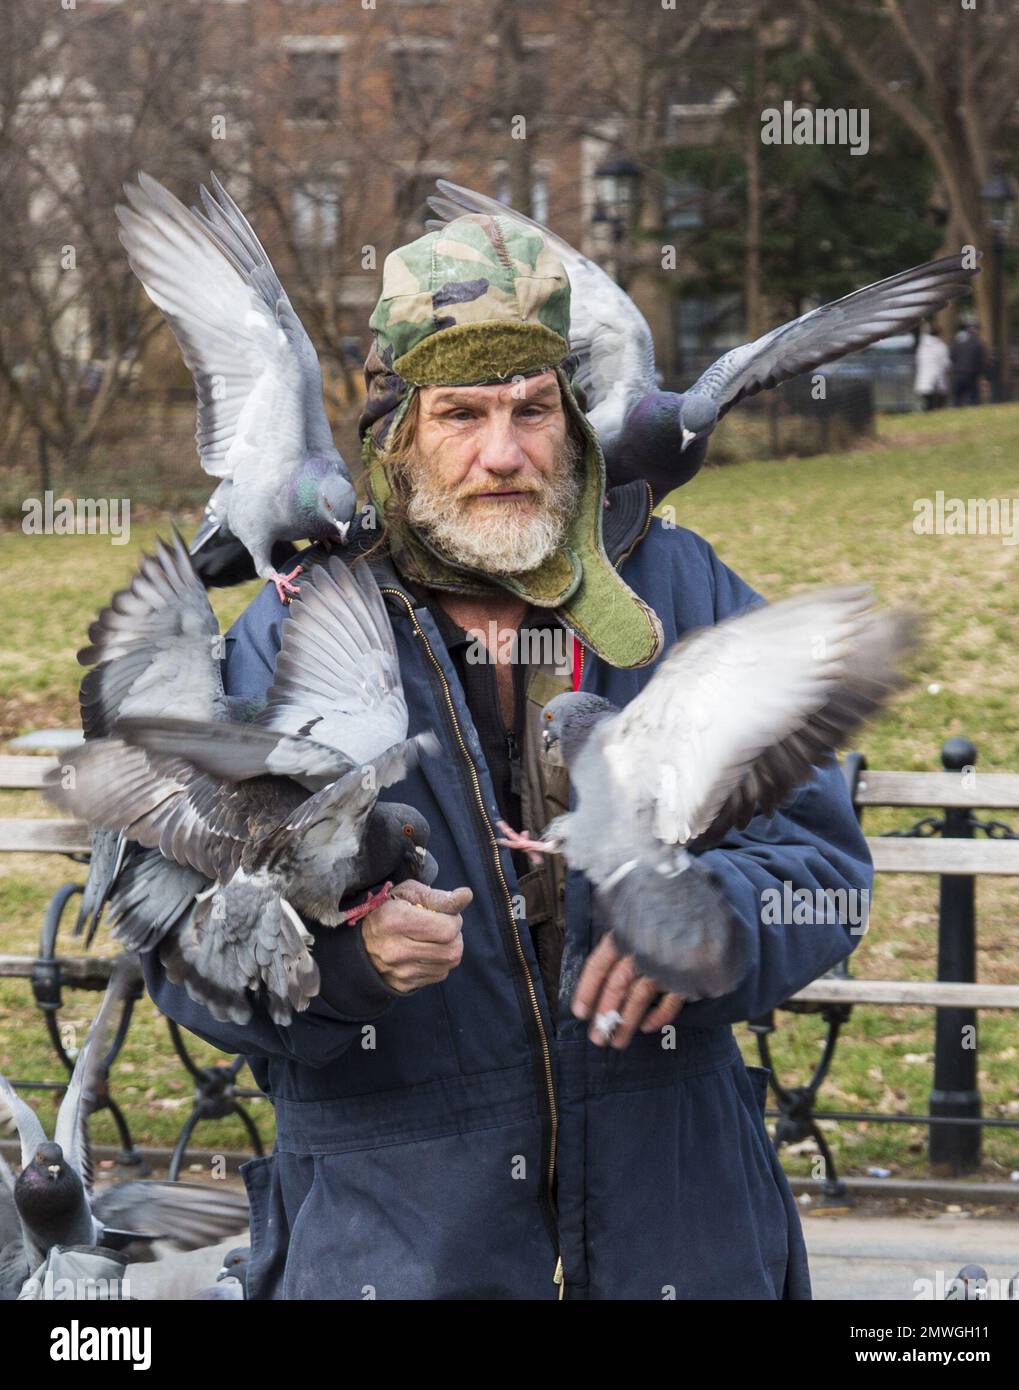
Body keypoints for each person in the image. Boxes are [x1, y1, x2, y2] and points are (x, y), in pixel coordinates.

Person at [141, 212, 873, 1301]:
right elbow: (177, 942)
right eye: (462, 413)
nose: (503, 452)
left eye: (533, 409)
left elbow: (819, 864)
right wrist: (341, 966)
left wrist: (705, 920)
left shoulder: (677, 592)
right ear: (397, 434)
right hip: (396, 1242)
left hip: (680, 1218)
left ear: (575, 422)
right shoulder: (284, 633)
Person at [913, 321, 951, 411]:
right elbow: (946, 363)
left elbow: (918, 361)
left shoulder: (922, 346)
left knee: (927, 404)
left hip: (924, 380)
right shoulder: (941, 346)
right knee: (938, 405)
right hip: (936, 381)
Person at [950, 319, 989, 407]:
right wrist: (984, 375)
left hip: (958, 373)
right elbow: (984, 361)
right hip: (972, 374)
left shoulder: (958, 342)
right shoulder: (979, 343)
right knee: (974, 399)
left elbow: (952, 355)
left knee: (957, 399)